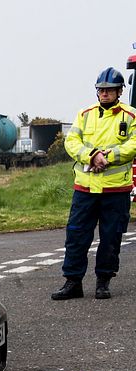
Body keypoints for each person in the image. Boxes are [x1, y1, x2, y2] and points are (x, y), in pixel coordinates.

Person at [51, 67, 136, 301]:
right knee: (76, 235)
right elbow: (71, 142)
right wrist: (91, 156)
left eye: (109, 90)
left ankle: (103, 282)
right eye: (101, 90)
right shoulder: (84, 114)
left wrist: (109, 156)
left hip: (116, 189)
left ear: (119, 91)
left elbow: (133, 144)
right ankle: (73, 282)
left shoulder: (131, 115)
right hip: (85, 188)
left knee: (111, 237)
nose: (104, 93)